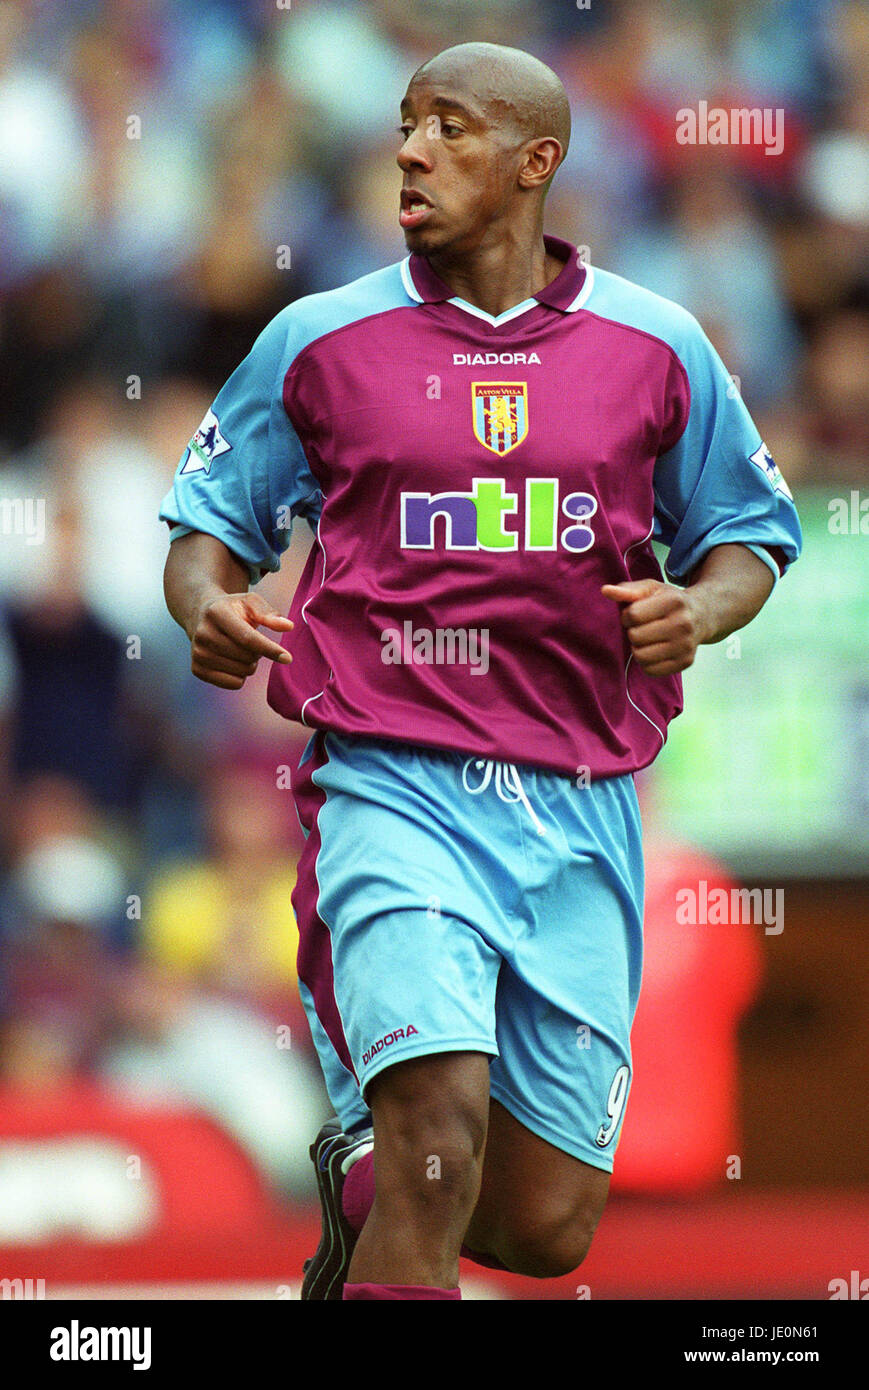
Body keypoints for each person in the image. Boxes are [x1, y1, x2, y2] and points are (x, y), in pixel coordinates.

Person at [159, 43, 802, 1301]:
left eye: (448, 128)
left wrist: (697, 606)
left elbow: (748, 535)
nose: (409, 150)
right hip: (393, 787)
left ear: (533, 162)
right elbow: (206, 527)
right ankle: (390, 1176)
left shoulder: (655, 344)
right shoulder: (318, 340)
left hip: (579, 807)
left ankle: (363, 1193)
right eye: (406, 125)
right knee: (438, 1147)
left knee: (544, 1226)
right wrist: (208, 604)